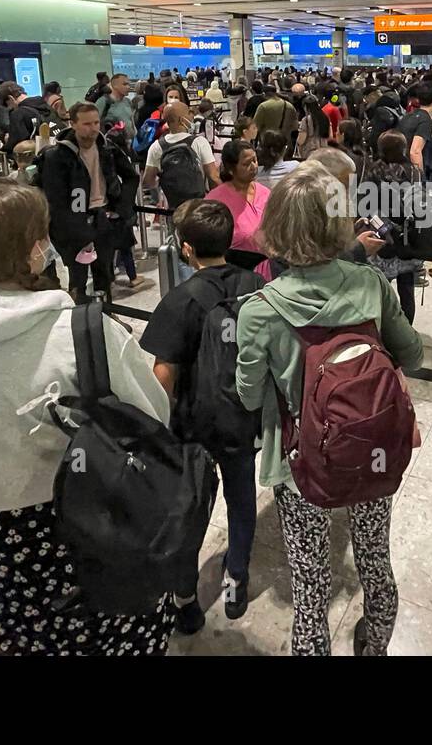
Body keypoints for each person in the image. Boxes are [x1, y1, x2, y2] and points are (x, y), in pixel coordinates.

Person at [0, 183, 176, 655]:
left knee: (42, 638)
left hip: (10, 524)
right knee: (123, 630)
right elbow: (153, 417)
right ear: (32, 251)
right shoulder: (86, 332)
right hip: (107, 511)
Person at [234, 164, 423, 656]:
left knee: (310, 581)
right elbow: (414, 355)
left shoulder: (260, 308)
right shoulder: (369, 283)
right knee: (375, 562)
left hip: (299, 462)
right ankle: (376, 645)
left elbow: (250, 395)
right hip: (374, 446)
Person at [140, 199, 263, 635]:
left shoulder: (180, 300)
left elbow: (163, 375)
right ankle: (236, 580)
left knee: (188, 509)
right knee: (241, 499)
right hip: (243, 415)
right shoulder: (254, 283)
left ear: (186, 248)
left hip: (193, 424)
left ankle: (186, 600)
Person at [40, 101, 139, 303]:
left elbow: (131, 176)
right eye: (87, 124)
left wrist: (122, 206)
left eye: (96, 123)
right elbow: (56, 199)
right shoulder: (57, 156)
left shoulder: (107, 148)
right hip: (73, 225)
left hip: (104, 218)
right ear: (73, 124)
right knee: (78, 278)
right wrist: (73, 227)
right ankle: (81, 319)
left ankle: (107, 316)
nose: (93, 129)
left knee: (104, 273)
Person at [362, 132, 426, 323]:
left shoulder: (373, 171)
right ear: (403, 148)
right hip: (408, 237)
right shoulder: (415, 172)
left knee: (380, 289)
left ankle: (382, 330)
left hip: (381, 237)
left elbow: (366, 206)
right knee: (407, 290)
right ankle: (407, 331)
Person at [206, 139, 271, 276]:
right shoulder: (215, 199)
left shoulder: (266, 193)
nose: (254, 166)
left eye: (255, 160)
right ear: (231, 169)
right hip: (232, 269)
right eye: (247, 164)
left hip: (266, 266)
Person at [142, 102, 219, 208]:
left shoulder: (156, 146)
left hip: (171, 205)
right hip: (198, 204)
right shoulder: (199, 142)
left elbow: (148, 181)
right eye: (188, 113)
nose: (191, 117)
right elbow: (213, 177)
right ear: (182, 120)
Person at [396, 78, 432, 174]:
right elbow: (415, 152)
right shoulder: (425, 120)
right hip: (411, 174)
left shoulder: (410, 115)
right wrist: (419, 180)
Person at [94, 73, 137, 142]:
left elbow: (131, 120)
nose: (128, 87)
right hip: (112, 145)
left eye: (128, 84)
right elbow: (94, 123)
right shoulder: (103, 102)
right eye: (125, 84)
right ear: (114, 85)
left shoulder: (128, 101)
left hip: (129, 144)